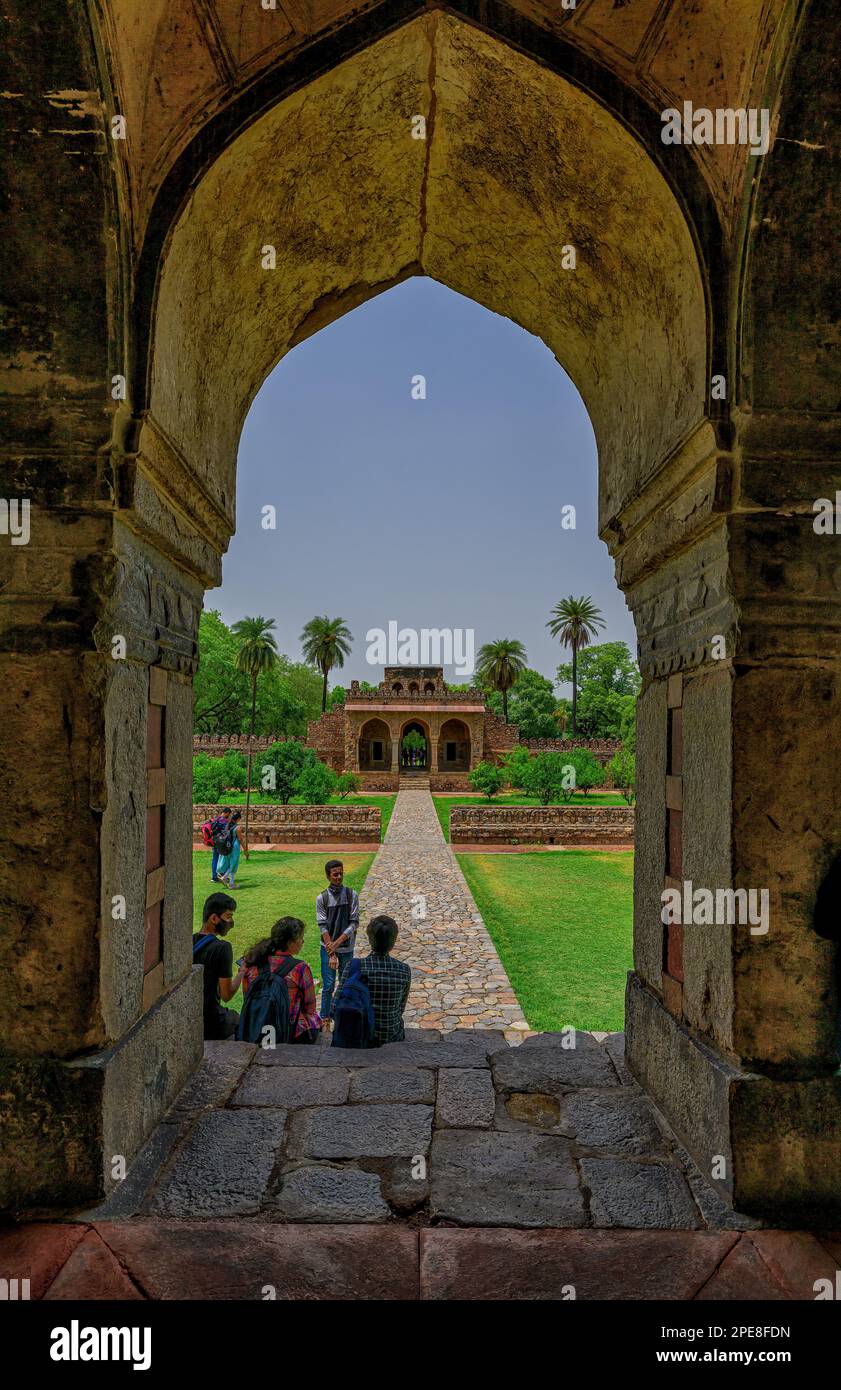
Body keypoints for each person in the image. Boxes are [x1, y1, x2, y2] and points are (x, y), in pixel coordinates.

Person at [240, 916, 322, 1043]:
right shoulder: (300, 968)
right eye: (300, 938)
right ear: (290, 943)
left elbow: (247, 997)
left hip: (256, 1027)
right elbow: (310, 1007)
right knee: (314, 1022)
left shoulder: (252, 962)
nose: (303, 941)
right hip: (288, 1033)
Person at [339, 914, 411, 1046]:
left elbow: (336, 1006)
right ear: (393, 940)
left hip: (358, 1036)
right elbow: (400, 1009)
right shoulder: (403, 970)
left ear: (370, 939)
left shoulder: (353, 967)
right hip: (391, 1037)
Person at [193, 892, 246, 1040]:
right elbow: (226, 994)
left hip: (191, 1014)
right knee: (240, 1020)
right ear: (214, 918)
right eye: (228, 917)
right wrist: (242, 972)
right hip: (211, 1021)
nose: (231, 922)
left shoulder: (189, 941)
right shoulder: (222, 948)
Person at [316, 859, 359, 1024]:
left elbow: (354, 923)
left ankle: (342, 1016)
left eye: (341, 873)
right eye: (335, 874)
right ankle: (324, 1019)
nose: (339, 877)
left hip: (346, 948)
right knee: (328, 986)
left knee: (345, 984)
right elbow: (323, 926)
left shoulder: (351, 895)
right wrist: (331, 951)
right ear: (328, 876)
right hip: (328, 949)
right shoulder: (322, 898)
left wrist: (337, 943)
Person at [217, 810, 245, 889]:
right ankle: (225, 877)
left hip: (227, 846)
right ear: (238, 818)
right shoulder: (237, 827)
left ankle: (232, 884)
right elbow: (240, 839)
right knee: (234, 864)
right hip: (235, 846)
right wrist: (245, 849)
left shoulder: (228, 825)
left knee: (231, 864)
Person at [209, 806, 232, 884]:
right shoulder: (224, 821)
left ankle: (214, 877)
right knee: (223, 859)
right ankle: (223, 875)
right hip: (221, 842)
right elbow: (226, 833)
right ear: (227, 813)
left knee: (215, 858)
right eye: (229, 814)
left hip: (214, 841)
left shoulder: (216, 819)